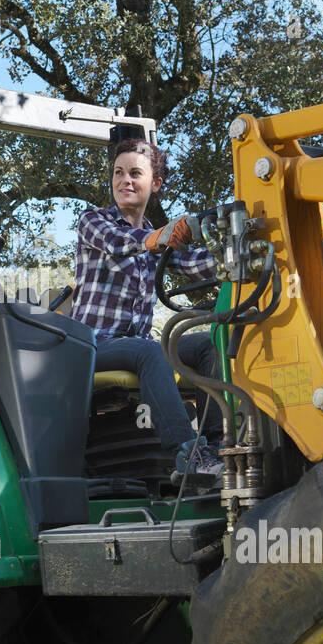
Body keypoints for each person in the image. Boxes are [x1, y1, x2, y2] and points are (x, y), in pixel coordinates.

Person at [70, 136, 223, 479]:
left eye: (135, 173)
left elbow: (195, 265)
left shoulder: (155, 238)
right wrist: (160, 238)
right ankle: (189, 454)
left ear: (155, 183)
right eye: (118, 173)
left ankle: (217, 447)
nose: (125, 180)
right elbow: (118, 243)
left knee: (208, 342)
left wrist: (236, 256)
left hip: (136, 347)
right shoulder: (93, 221)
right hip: (91, 347)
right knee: (148, 351)